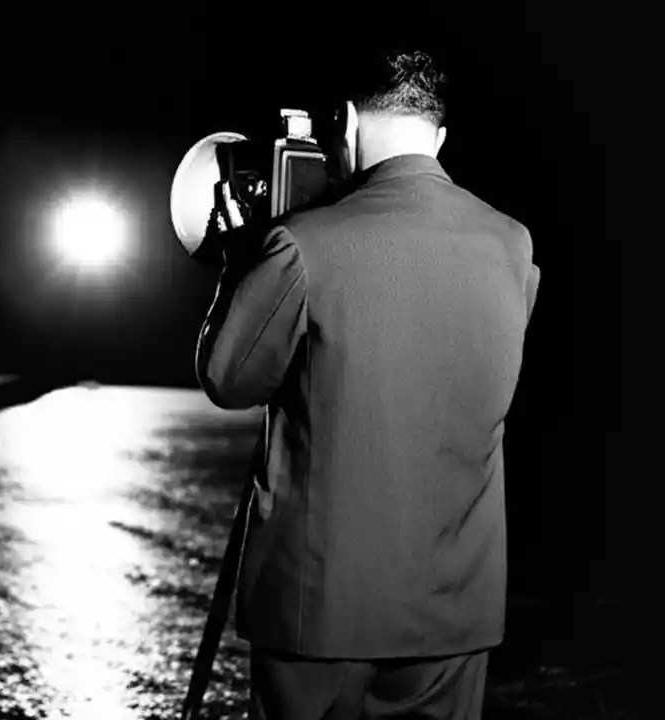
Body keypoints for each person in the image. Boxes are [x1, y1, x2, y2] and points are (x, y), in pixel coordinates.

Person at [194, 46, 542, 720]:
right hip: (454, 607)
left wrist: (240, 263)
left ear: (347, 122)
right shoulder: (514, 244)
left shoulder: (302, 244)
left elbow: (228, 378)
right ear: (439, 136)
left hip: (321, 608)